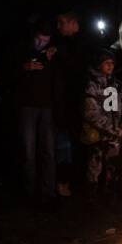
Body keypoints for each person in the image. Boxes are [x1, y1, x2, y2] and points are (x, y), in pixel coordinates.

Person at [11, 20, 61, 202]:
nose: (42, 43)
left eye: (45, 40)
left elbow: (60, 73)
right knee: (28, 150)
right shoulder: (21, 50)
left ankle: (48, 191)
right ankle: (29, 191)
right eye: (39, 39)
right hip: (27, 106)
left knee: (48, 150)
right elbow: (9, 73)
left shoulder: (53, 52)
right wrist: (24, 68)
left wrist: (53, 57)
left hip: (47, 106)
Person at [82, 49, 122, 198]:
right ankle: (92, 198)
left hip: (114, 136)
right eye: (106, 63)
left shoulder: (116, 85)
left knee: (111, 167)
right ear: (99, 65)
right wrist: (111, 129)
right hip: (97, 135)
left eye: (112, 63)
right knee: (94, 168)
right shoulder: (92, 84)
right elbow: (90, 112)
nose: (110, 66)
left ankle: (108, 196)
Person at [53, 11, 87, 196]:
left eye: (62, 22)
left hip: (75, 104)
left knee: (74, 145)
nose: (59, 27)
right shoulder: (60, 45)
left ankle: (74, 181)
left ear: (73, 23)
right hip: (64, 105)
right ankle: (64, 182)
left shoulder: (79, 47)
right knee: (64, 146)